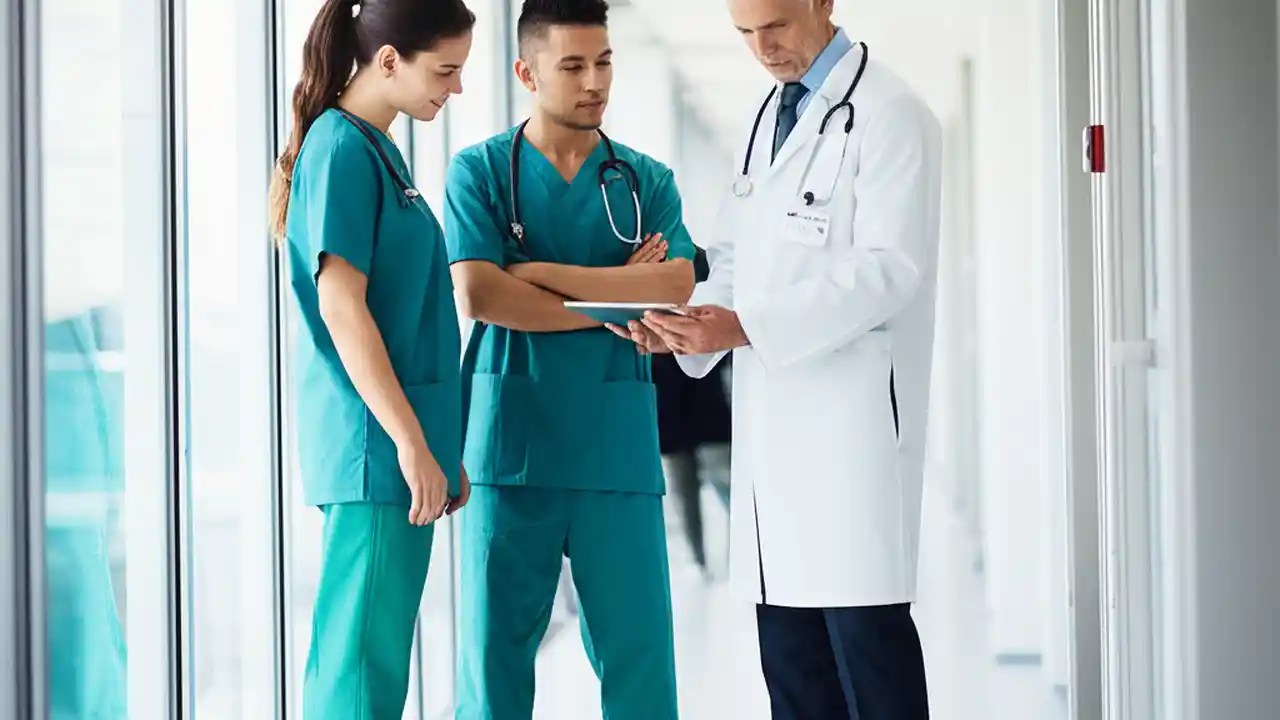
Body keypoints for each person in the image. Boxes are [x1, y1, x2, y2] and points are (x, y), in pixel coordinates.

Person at [617, 0, 943, 718]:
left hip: (850, 437)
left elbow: (890, 270)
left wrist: (743, 327)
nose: (761, 48)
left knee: (869, 656)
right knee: (792, 669)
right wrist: (687, 327)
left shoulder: (891, 114)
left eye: (776, 27)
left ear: (823, 3)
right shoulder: (766, 119)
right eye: (743, 33)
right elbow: (732, 258)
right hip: (773, 442)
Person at [442, 1, 696, 717]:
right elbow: (481, 294)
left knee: (640, 657)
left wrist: (538, 273)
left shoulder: (646, 180)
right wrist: (616, 296)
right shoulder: (481, 172)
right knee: (493, 661)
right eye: (574, 65)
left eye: (605, 61)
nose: (595, 82)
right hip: (511, 445)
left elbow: (676, 281)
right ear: (526, 71)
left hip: (614, 447)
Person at [268, 1, 475, 717]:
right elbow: (342, 307)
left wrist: (437, 444)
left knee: (372, 657)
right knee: (358, 665)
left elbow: (402, 312)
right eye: (445, 71)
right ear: (390, 61)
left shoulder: (375, 150)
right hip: (375, 449)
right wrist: (413, 442)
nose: (454, 90)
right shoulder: (341, 148)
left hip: (394, 450)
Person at [652, 248, 731, 574]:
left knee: (725, 477)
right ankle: (699, 564)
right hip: (664, 400)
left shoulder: (699, 260)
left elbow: (720, 320)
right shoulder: (630, 263)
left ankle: (749, 553)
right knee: (682, 490)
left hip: (706, 393)